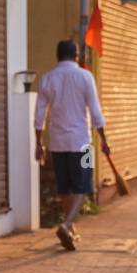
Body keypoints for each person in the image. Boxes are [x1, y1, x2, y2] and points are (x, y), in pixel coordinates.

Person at [35, 39, 109, 251]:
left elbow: (40, 114)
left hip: (58, 144)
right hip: (82, 144)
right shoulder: (85, 77)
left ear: (57, 56)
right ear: (77, 56)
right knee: (83, 186)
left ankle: (71, 229)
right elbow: (95, 112)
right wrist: (103, 139)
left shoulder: (48, 78)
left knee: (65, 188)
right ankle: (67, 225)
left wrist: (39, 142)